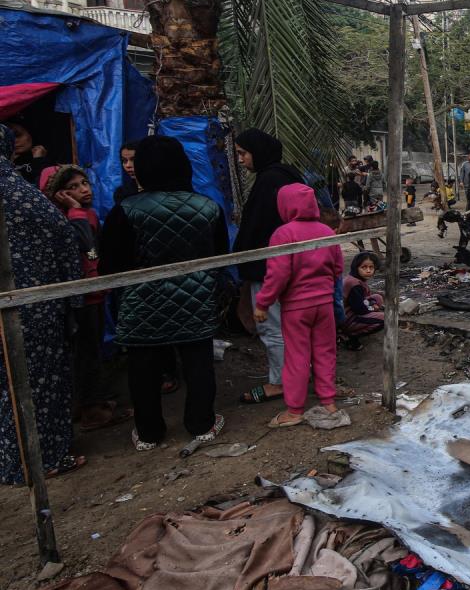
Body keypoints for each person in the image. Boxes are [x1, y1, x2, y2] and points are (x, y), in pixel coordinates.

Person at [99, 135, 228, 451]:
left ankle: (148, 433)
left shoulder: (125, 211)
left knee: (143, 368)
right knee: (198, 363)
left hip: (142, 305)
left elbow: (111, 263)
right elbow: (222, 256)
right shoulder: (208, 208)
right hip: (196, 302)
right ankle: (201, 424)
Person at [0, 127, 83, 483]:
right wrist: (73, 296)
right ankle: (40, 459)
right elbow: (62, 235)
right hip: (28, 304)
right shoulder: (16, 191)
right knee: (35, 383)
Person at [252, 183, 343, 428]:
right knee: (325, 352)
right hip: (323, 304)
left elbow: (277, 275)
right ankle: (328, 403)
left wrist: (263, 303)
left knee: (297, 358)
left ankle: (294, 410)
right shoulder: (327, 231)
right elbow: (337, 268)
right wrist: (322, 287)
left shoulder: (283, 234)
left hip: (295, 307)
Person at [42, 165, 124, 430]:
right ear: (57, 195)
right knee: (85, 353)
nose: (84, 189)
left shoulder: (87, 214)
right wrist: (76, 211)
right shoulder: (63, 220)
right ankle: (92, 411)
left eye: (84, 183)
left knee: (91, 349)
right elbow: (85, 245)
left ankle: (89, 402)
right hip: (80, 298)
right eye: (73, 188)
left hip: (94, 293)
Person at [232, 128, 304, 405]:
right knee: (291, 326)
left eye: (243, 153)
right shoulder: (288, 175)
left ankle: (280, 382)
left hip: (270, 270)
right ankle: (296, 373)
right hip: (291, 268)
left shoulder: (269, 181)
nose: (240, 159)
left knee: (273, 328)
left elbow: (258, 229)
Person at [341, 251, 385, 339]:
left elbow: (362, 300)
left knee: (378, 297)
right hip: (347, 318)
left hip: (353, 309)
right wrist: (372, 308)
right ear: (356, 268)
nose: (368, 271)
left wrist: (372, 304)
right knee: (385, 318)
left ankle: (369, 318)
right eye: (364, 267)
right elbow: (360, 309)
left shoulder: (355, 279)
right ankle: (349, 336)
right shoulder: (354, 284)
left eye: (371, 267)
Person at [6, 118, 53, 185]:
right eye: (8, 137)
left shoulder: (44, 156)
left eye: (18, 135)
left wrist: (39, 160)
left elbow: (47, 185)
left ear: (30, 133)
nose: (14, 141)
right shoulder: (4, 162)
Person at [114, 140, 141, 204]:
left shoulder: (163, 192)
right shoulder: (122, 194)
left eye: (133, 160)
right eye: (124, 161)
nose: (128, 165)